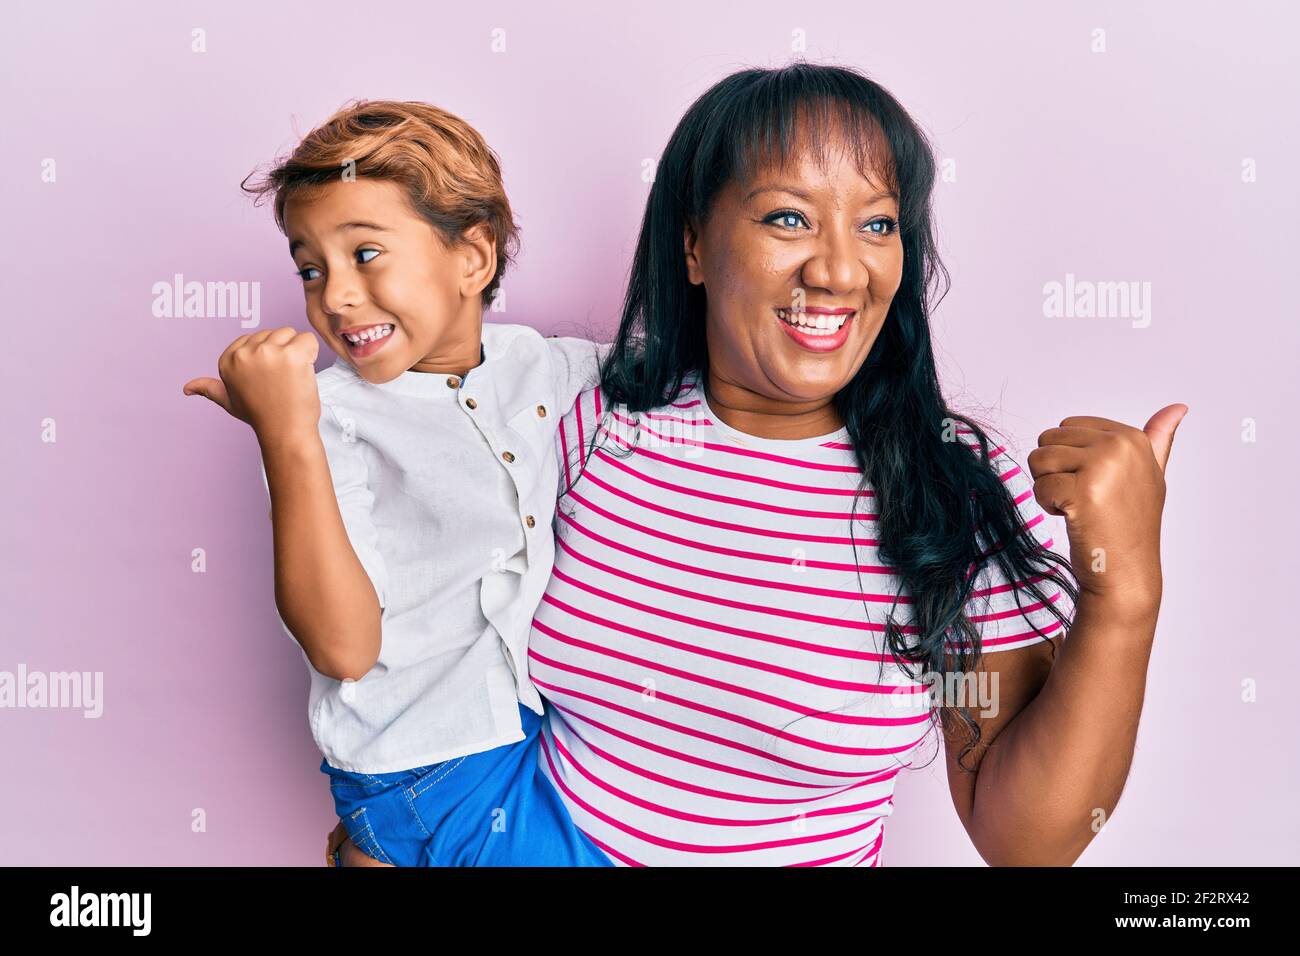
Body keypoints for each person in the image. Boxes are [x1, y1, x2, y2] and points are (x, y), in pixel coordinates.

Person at [334, 61, 1184, 867]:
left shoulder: (951, 488)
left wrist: (1124, 592)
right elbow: (412, 605)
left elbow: (1022, 836)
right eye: (789, 218)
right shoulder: (586, 418)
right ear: (695, 246)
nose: (840, 267)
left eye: (878, 224)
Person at [184, 99, 611, 866]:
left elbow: (693, 376)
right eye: (310, 268)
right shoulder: (328, 417)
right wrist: (286, 434)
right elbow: (343, 647)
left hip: (525, 739)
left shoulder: (552, 368)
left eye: (365, 254)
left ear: (472, 259)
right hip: (423, 763)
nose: (334, 295)